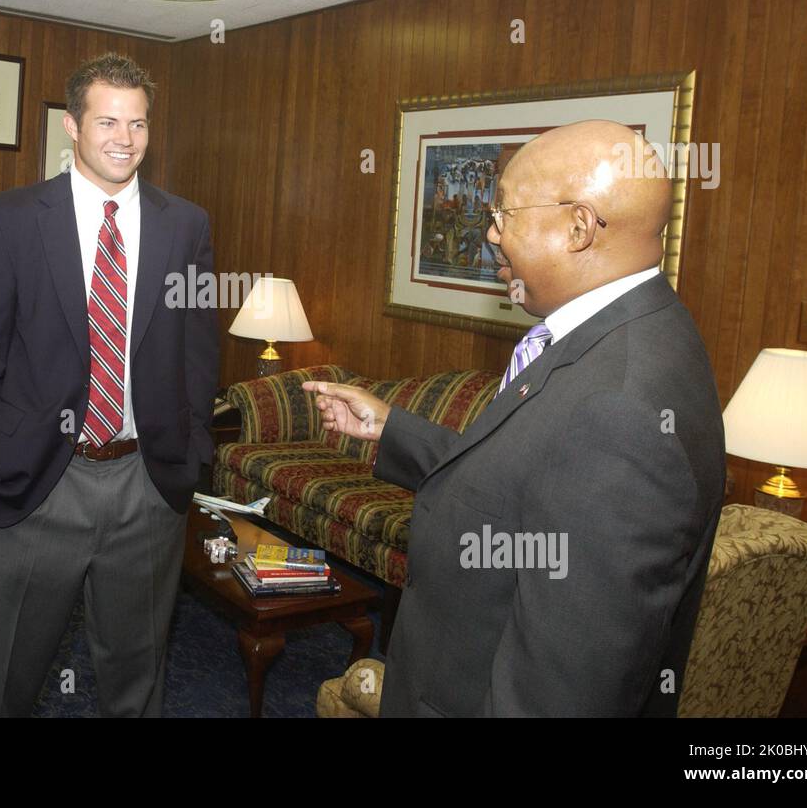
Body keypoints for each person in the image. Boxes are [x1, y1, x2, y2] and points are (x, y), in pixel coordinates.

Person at [305, 120, 725, 716]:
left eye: (504, 213)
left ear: (578, 227)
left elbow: (565, 690)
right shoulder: (624, 332)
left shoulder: (623, 406)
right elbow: (529, 485)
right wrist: (393, 427)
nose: (492, 233)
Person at [0, 52, 218, 717]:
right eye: (108, 121)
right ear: (72, 126)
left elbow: (198, 351)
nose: (125, 138)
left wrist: (190, 461)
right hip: (37, 482)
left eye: (138, 123)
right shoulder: (12, 217)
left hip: (146, 485)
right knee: (10, 676)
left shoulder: (185, 224)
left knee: (138, 680)